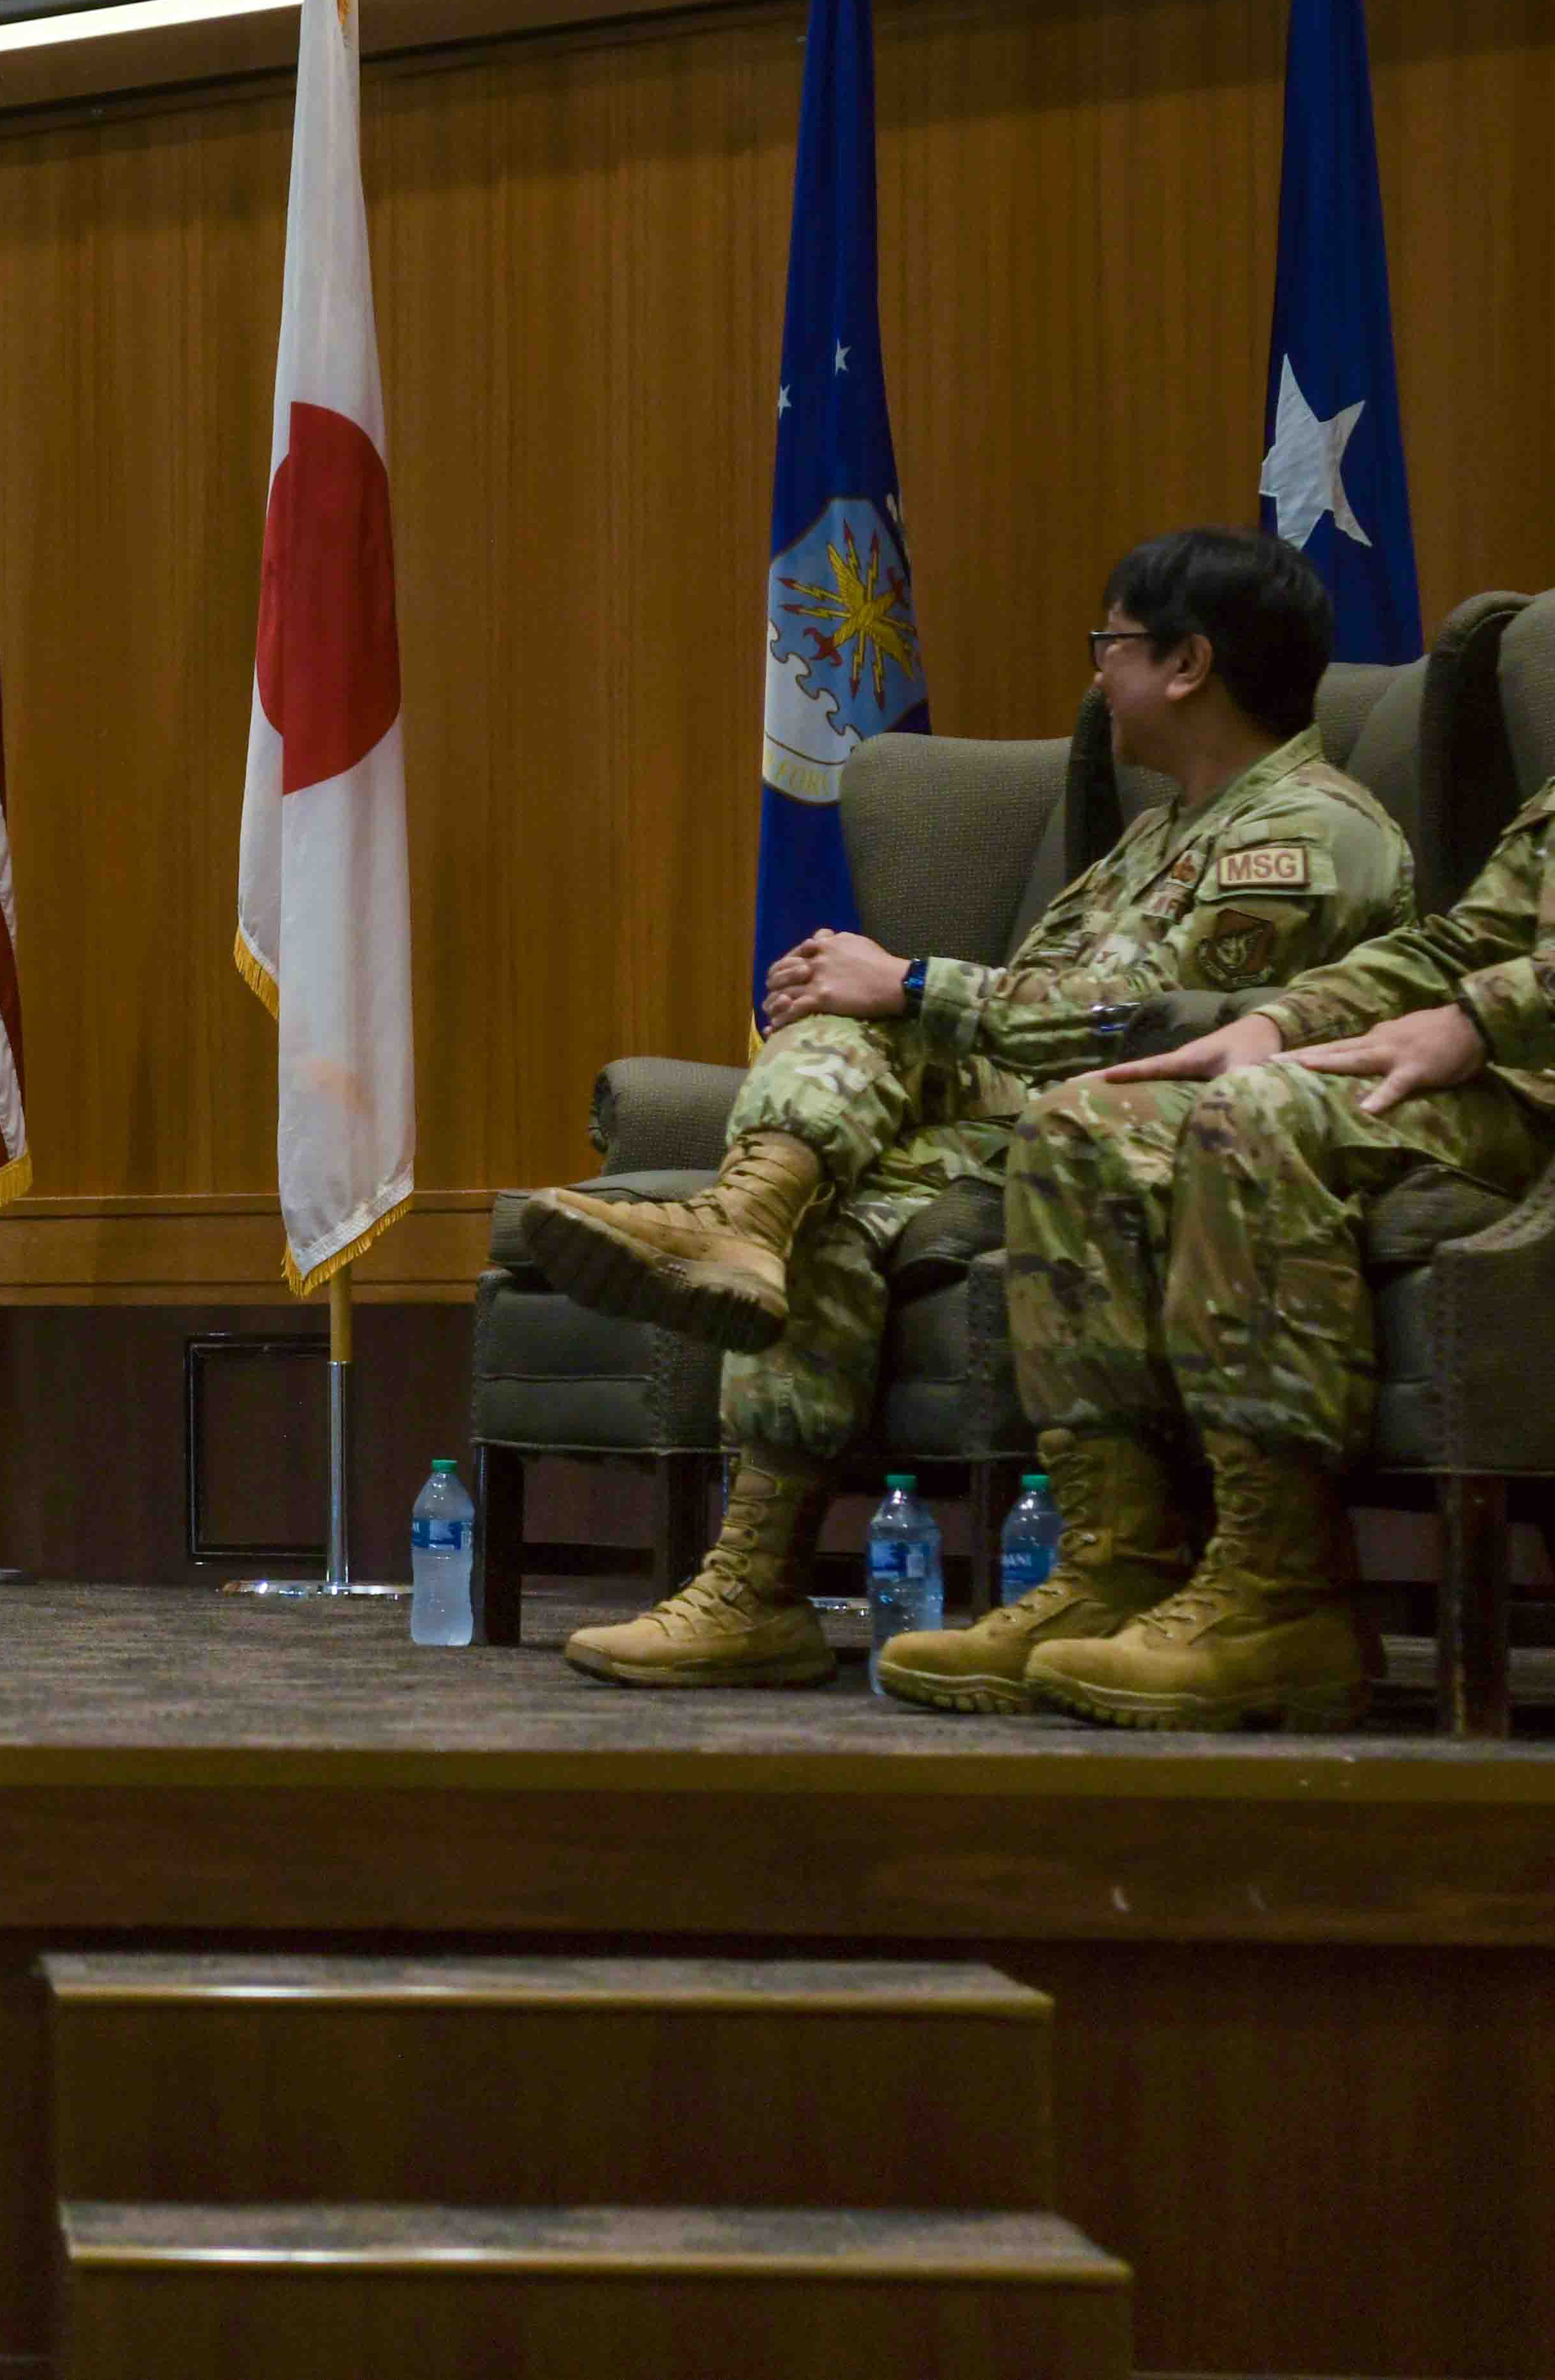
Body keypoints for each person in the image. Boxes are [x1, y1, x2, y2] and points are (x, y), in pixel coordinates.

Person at [899, 360, 1555, 1731]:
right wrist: (1278, 1019)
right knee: (1089, 1119)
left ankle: (1279, 1593)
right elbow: (1455, 942)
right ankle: (1115, 1566)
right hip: (1514, 1105)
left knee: (1258, 1119)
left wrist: (1491, 1013)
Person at [524, 526, 1414, 1690]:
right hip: (1038, 1124)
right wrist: (883, 996)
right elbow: (1043, 1001)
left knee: (875, 1019)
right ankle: (751, 1508)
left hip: (1168, 1135)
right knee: (822, 1183)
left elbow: (1168, 1024)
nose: (1097, 673)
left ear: (1188, 663)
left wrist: (911, 985)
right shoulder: (1154, 836)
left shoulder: (1311, 829)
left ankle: (756, 1268)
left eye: (1112, 644)